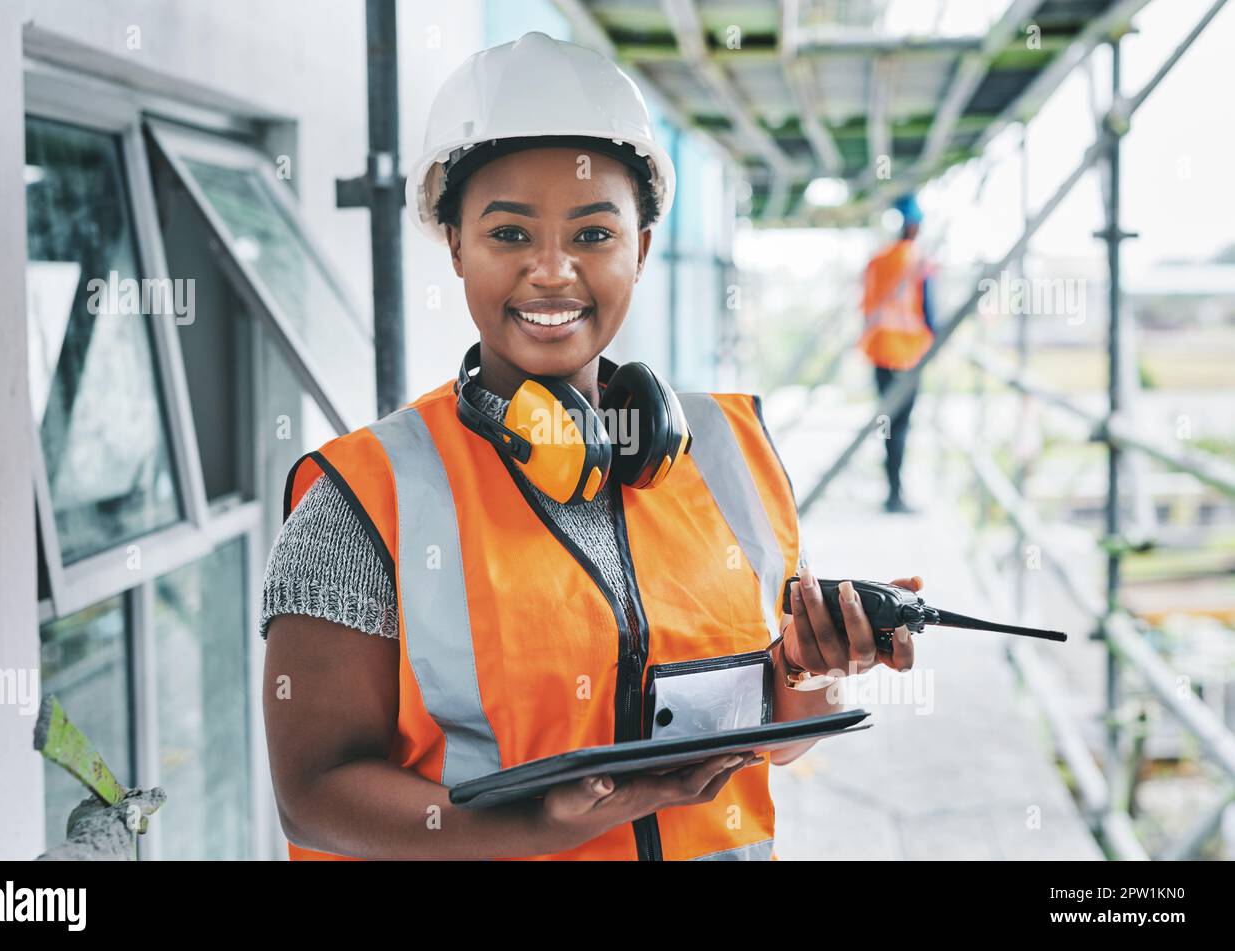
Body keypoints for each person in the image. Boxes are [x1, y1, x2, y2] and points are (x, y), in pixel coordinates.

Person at [259, 31, 921, 861]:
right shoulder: (364, 499)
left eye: (593, 235)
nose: (551, 272)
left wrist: (809, 669)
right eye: (508, 234)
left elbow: (777, 736)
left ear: (640, 246)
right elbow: (313, 796)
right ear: (455, 244)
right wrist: (535, 827)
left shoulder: (729, 453)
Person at [859, 193, 936, 514]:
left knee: (887, 426)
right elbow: (931, 315)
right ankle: (895, 495)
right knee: (900, 427)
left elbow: (868, 304)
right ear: (914, 226)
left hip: (878, 353)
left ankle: (892, 491)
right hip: (906, 357)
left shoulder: (876, 260)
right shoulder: (918, 262)